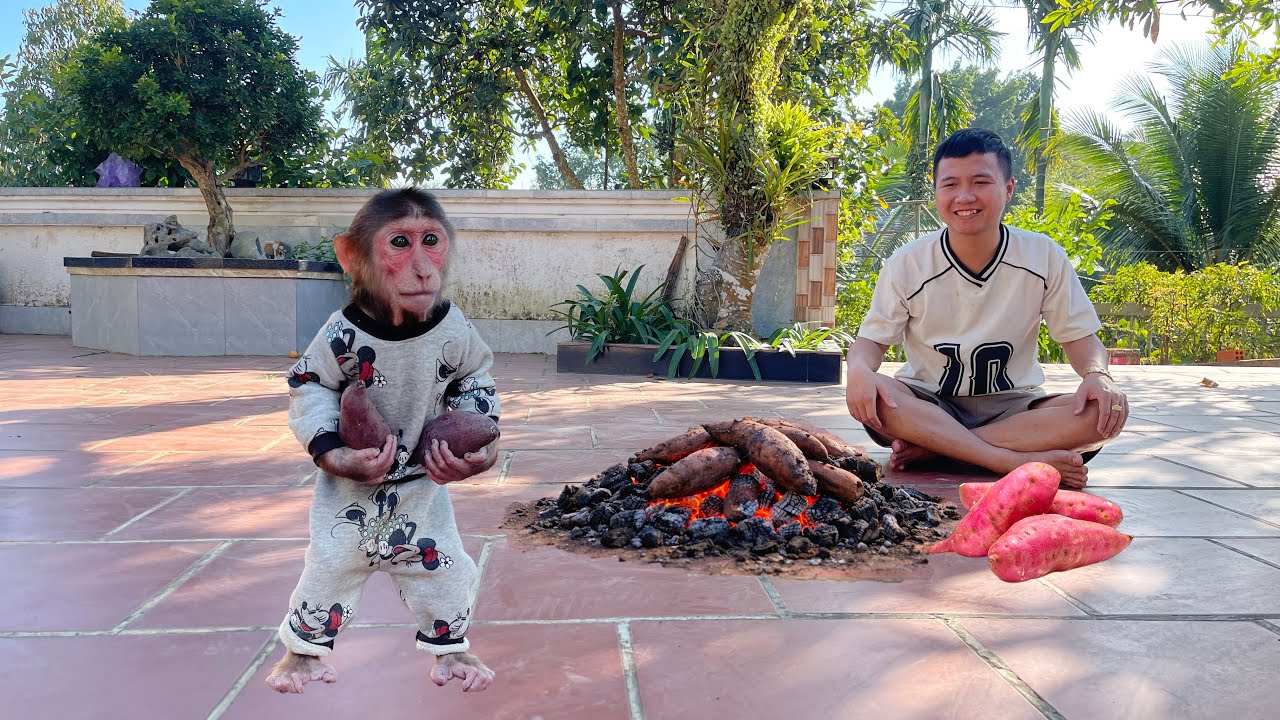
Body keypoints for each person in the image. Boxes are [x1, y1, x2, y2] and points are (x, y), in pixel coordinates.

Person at [266, 188, 497, 694]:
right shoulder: (341, 335)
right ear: (354, 257)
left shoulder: (452, 328)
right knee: (328, 568)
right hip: (350, 493)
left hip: (421, 487)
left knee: (450, 570)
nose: (422, 268)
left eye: (430, 242)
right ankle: (301, 653)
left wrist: (483, 445)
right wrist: (330, 450)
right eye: (400, 243)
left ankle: (451, 649)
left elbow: (475, 376)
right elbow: (308, 383)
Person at [845, 128, 1127, 489]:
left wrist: (1097, 375)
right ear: (936, 193)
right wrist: (857, 371)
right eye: (950, 185)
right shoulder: (908, 263)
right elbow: (871, 342)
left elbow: (1080, 339)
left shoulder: (1043, 256)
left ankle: (940, 448)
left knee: (1102, 413)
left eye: (980, 181)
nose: (965, 196)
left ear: (1008, 189)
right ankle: (1006, 460)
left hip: (1015, 408)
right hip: (931, 403)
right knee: (879, 397)